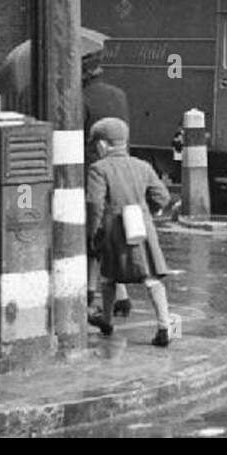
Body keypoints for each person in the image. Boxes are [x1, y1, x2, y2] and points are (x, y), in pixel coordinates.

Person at [85, 117, 173, 347]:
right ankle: (164, 327)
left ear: (103, 145)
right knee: (151, 278)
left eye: (96, 144)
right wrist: (145, 213)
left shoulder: (98, 169)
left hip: (113, 230)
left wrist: (93, 233)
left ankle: (105, 320)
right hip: (141, 228)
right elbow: (163, 197)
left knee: (109, 277)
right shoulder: (143, 166)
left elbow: (95, 204)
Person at [82, 52, 133, 321]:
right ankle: (121, 297)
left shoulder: (81, 99)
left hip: (93, 174)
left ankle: (90, 294)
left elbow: (79, 140)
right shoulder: (119, 95)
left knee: (92, 236)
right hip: (120, 172)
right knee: (110, 236)